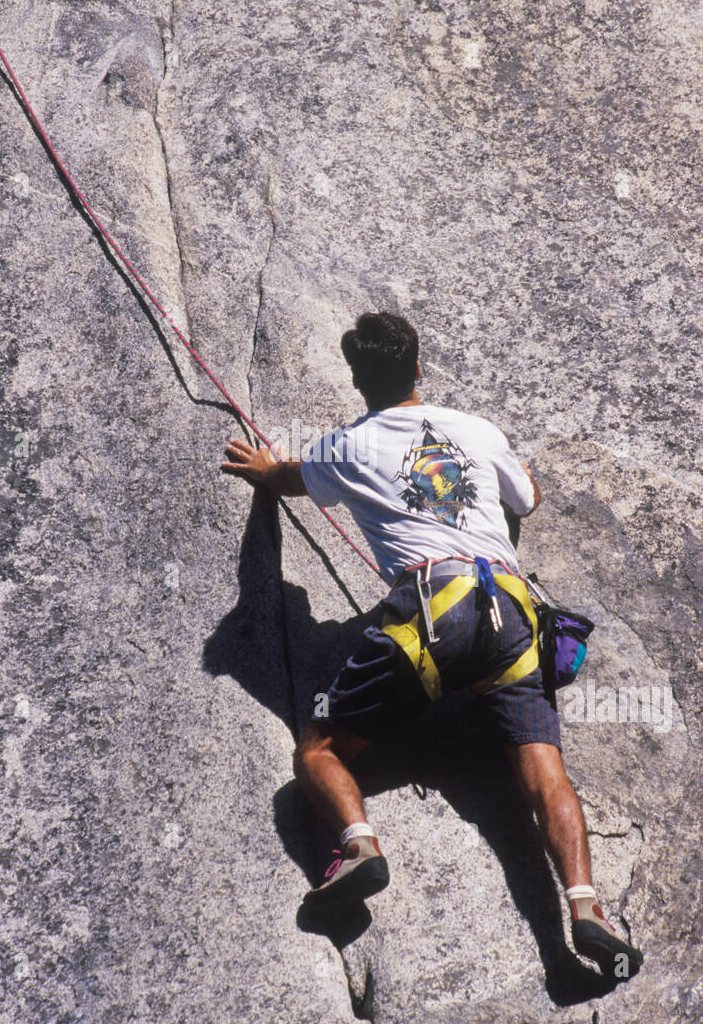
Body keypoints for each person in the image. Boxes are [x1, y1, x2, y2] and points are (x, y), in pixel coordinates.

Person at [221, 312, 643, 980]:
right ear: (419, 367)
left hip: (432, 613)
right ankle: (586, 908)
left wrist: (267, 469)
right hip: (512, 611)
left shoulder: (346, 447)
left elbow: (285, 482)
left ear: (358, 379)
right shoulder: (477, 429)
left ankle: (359, 848)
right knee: (543, 773)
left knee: (320, 752)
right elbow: (526, 498)